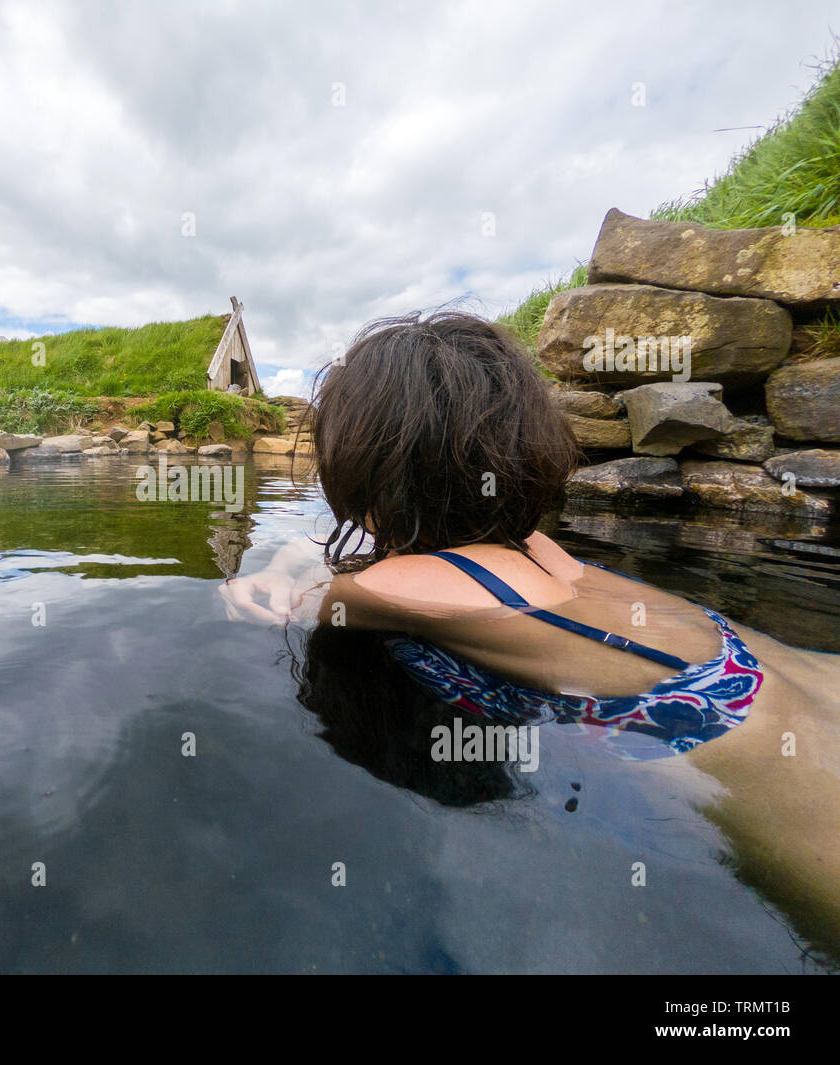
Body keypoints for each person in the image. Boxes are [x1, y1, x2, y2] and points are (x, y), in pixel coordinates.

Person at [221, 310, 840, 958]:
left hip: (743, 758)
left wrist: (263, 568)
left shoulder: (391, 587)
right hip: (762, 675)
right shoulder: (542, 548)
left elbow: (299, 597)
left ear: (364, 468)